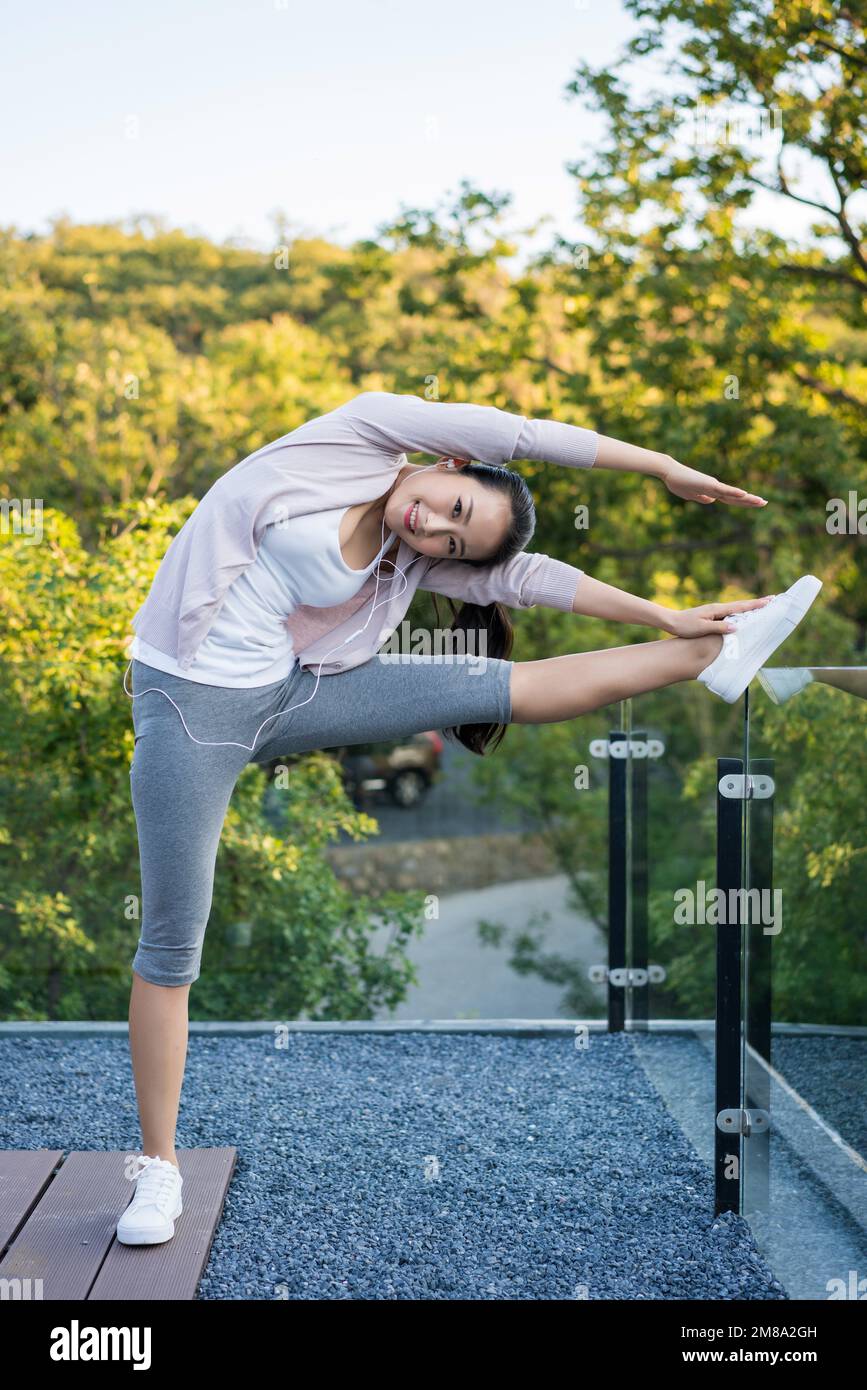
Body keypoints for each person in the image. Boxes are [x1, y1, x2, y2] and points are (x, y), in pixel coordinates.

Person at [116, 390, 821, 1243]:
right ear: (451, 464)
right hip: (187, 708)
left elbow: (530, 579)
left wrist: (663, 613)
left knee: (507, 690)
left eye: (453, 541)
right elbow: (522, 435)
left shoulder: (406, 558)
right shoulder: (362, 436)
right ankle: (158, 1170)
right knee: (171, 945)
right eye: (454, 509)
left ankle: (710, 652)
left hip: (290, 695)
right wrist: (661, 466)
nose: (434, 528)